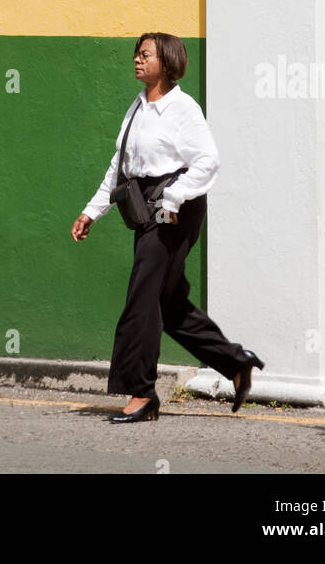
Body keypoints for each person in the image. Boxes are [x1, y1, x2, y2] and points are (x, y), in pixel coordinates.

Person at [71, 32, 264, 423]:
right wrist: (92, 211)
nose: (137, 60)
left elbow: (207, 161)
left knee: (142, 296)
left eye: (145, 54)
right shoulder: (138, 107)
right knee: (168, 304)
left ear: (167, 61)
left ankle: (143, 395)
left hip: (175, 211)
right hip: (146, 210)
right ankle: (236, 362)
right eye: (136, 54)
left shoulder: (183, 109)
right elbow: (119, 166)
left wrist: (174, 199)